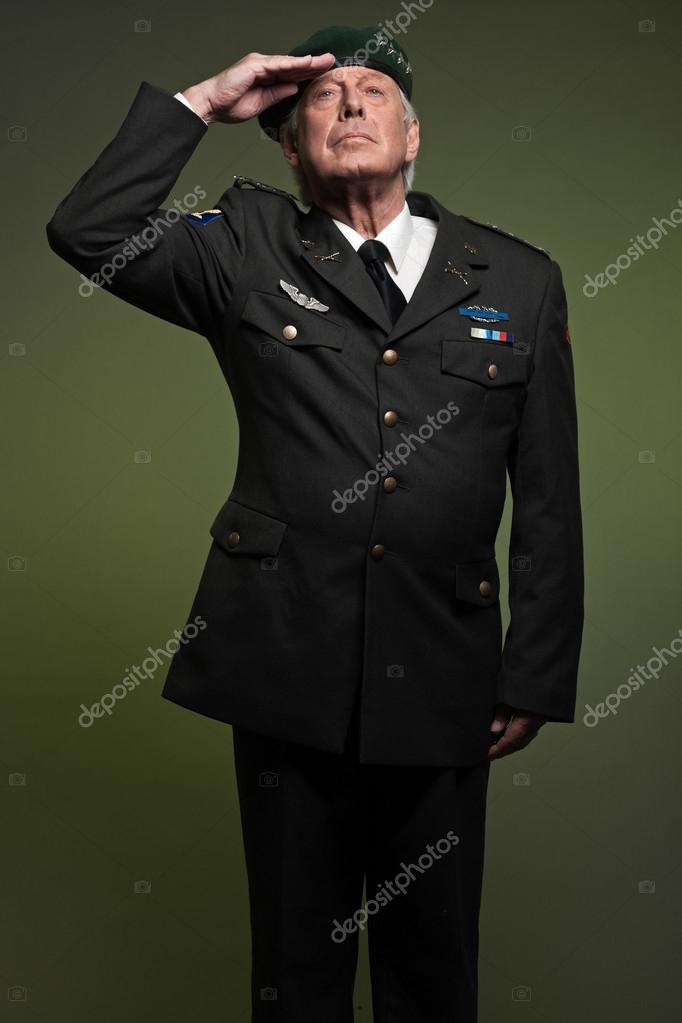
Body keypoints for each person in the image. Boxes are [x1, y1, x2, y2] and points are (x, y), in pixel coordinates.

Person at [46, 24, 584, 1022]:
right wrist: (207, 99)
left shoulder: (517, 278)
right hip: (283, 655)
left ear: (412, 134)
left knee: (433, 974)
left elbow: (550, 492)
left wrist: (536, 669)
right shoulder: (244, 247)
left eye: (371, 91)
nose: (346, 106)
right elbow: (88, 231)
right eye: (322, 99)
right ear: (288, 148)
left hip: (445, 666)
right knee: (297, 971)